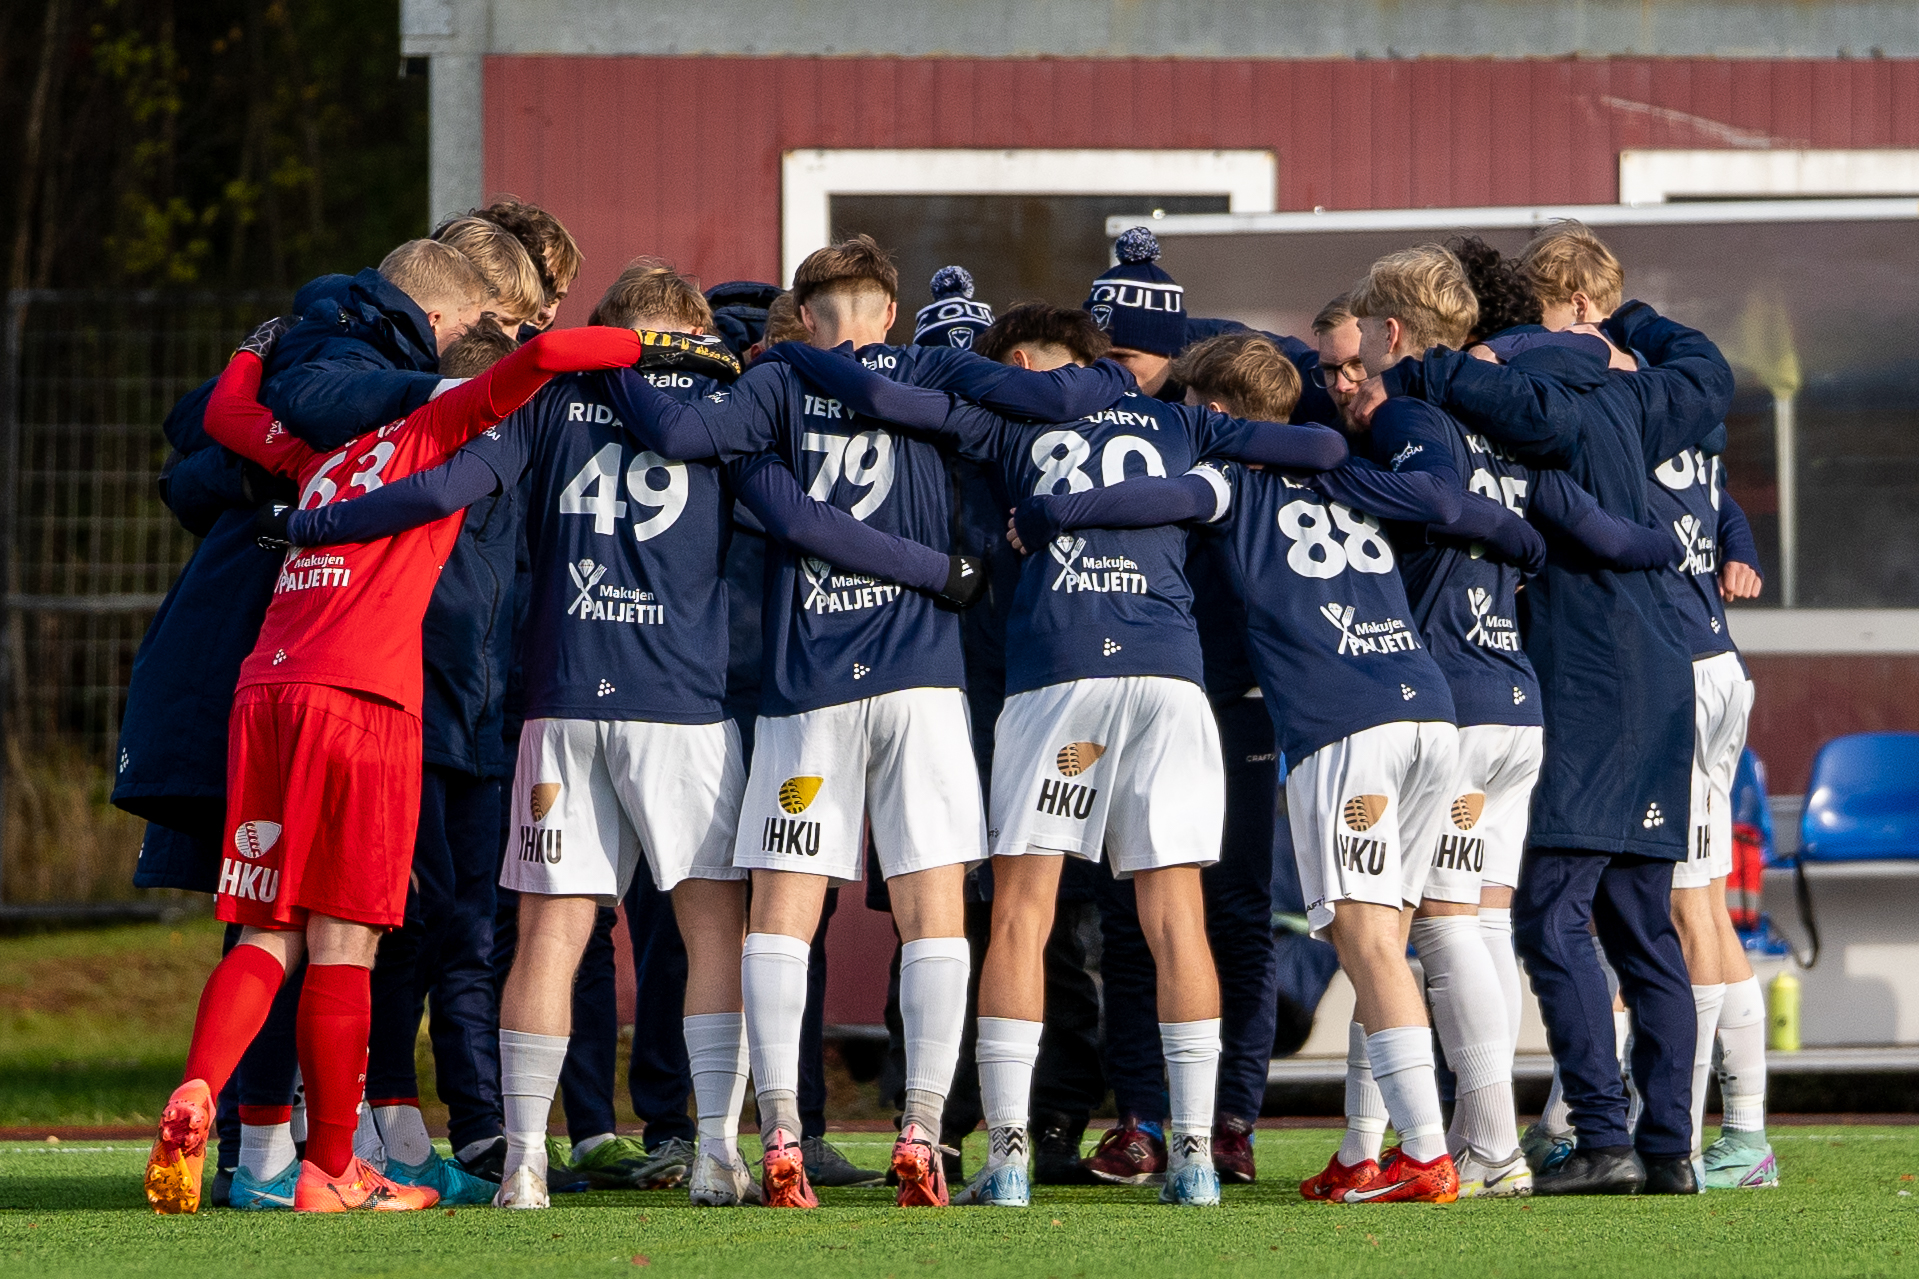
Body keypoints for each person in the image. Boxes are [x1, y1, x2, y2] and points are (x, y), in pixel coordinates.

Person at [767, 283, 1349, 1208]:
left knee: (1020, 914)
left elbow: (884, 400)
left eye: (1011, 370)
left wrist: (790, 353)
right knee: (1175, 917)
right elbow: (1318, 444)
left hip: (1059, 679)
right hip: (1169, 679)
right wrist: (1196, 486)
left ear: (1035, 364)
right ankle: (1193, 1154)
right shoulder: (1179, 425)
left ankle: (1006, 1156)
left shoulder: (1006, 428)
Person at [610, 235, 1125, 1209]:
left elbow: (678, 442)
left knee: (782, 915)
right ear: (888, 313)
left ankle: (783, 1135)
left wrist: (627, 361)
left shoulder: (773, 385)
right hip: (924, 683)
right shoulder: (932, 367)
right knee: (935, 914)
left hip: (809, 689)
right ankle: (923, 1129)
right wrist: (1116, 374)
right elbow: (1052, 404)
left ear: (805, 317)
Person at [141, 299, 649, 1216]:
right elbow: (561, 352)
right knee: (347, 939)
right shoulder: (443, 424)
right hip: (364, 701)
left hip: (265, 691)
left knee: (267, 927)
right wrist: (652, 345)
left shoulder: (319, 456)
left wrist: (252, 347)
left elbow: (225, 415)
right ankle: (332, 1168)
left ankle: (198, 1090)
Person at [1366, 218, 1735, 1196]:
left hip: (1589, 671)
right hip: (1659, 669)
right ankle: (1669, 1150)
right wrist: (1636, 323)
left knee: (1550, 910)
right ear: (1594, 304)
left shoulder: (1542, 388)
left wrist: (1410, 374)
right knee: (1640, 922)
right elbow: (1707, 372)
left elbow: (1490, 397)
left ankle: (1604, 1139)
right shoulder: (1640, 389)